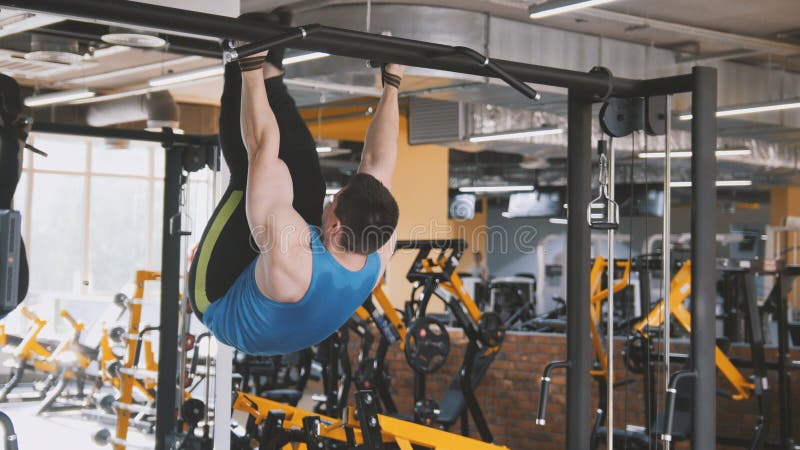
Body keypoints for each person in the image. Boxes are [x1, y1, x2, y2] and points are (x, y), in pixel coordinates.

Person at [187, 36, 405, 356]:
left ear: (335, 229)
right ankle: (272, 71)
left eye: (335, 203)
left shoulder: (292, 255)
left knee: (251, 177)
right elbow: (378, 164)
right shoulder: (380, 245)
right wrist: (393, 81)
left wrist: (248, 63)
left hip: (220, 300)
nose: (331, 202)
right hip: (288, 302)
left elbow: (262, 147)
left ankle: (239, 64)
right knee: (308, 184)